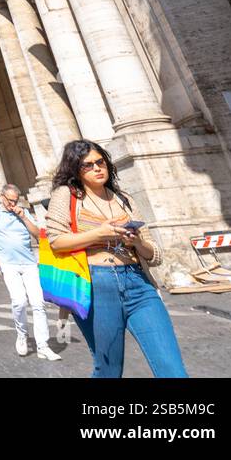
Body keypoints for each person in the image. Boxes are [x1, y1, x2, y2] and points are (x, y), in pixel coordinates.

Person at [46, 140, 186, 378]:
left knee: (172, 369)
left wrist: (137, 242)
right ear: (75, 170)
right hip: (97, 286)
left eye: (100, 162)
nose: (97, 168)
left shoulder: (124, 198)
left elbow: (153, 254)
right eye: (87, 165)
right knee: (109, 370)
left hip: (139, 284)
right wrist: (98, 234)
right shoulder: (66, 196)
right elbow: (56, 241)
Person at [0, 184, 61, 361]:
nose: (13, 204)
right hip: (8, 264)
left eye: (15, 201)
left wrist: (24, 217)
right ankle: (22, 335)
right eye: (10, 201)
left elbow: (38, 235)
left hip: (29, 263)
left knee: (38, 303)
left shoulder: (23, 211)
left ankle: (43, 345)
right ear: (2, 197)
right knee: (19, 301)